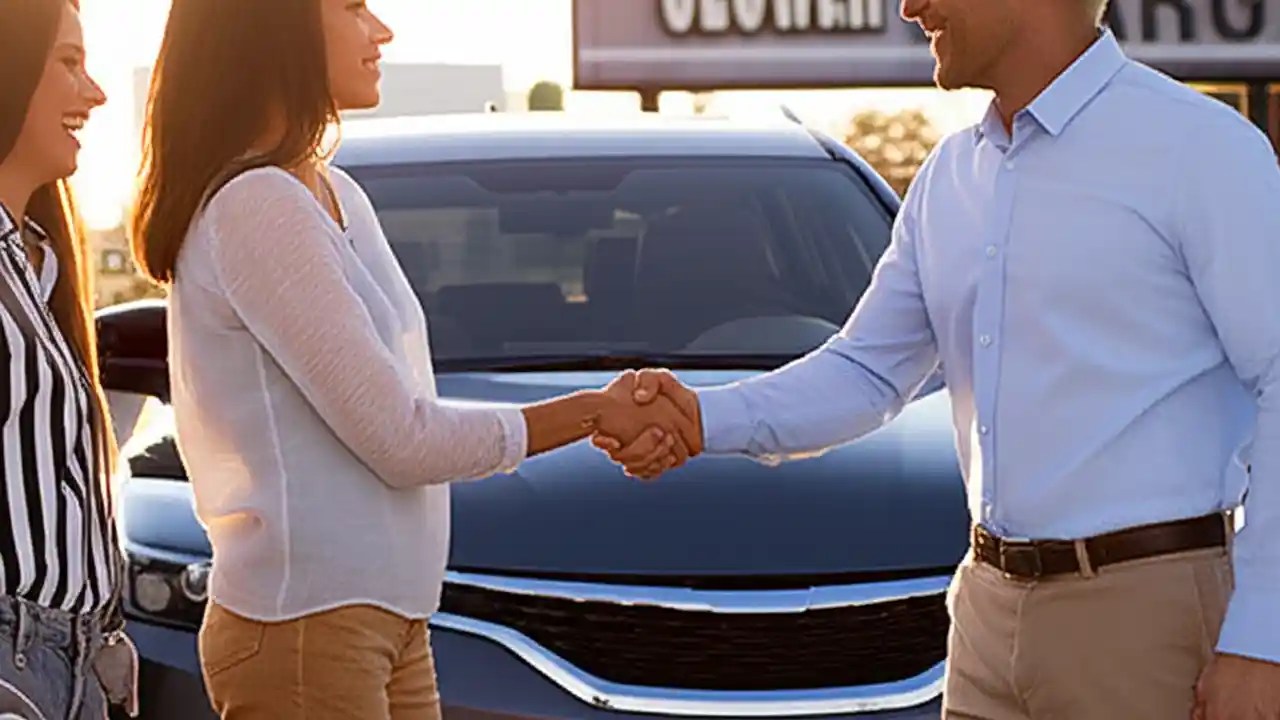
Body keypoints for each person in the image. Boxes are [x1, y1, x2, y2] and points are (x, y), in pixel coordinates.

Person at [596, 0, 1280, 717]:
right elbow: (865, 370)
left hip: (1149, 619)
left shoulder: (1198, 149)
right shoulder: (951, 175)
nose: (909, 6)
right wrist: (700, 417)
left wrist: (1264, 640)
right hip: (985, 611)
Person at [127, 1, 696, 718]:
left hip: (386, 620)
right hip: (308, 624)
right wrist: (590, 412)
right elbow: (400, 440)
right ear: (277, 26)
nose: (381, 30)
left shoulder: (335, 194)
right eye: (354, 7)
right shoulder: (258, 205)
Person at [0, 1, 135, 718]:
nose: (96, 91)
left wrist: (102, 634)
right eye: (68, 62)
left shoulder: (39, 265)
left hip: (71, 658)